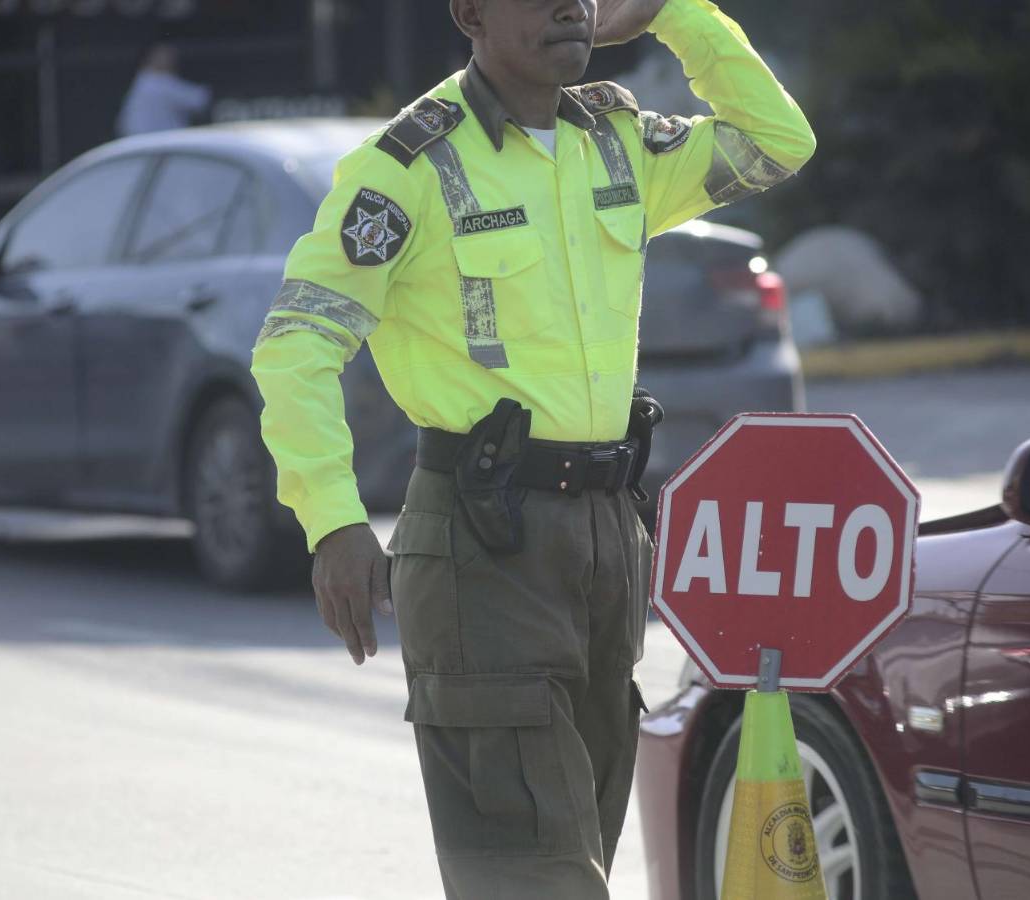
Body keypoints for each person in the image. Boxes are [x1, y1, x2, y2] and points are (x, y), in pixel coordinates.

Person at [249, 0, 814, 896]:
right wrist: (332, 520)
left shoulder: (615, 138)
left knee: (573, 851)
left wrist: (675, 16)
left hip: (605, 542)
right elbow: (296, 343)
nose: (572, 6)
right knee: (538, 879)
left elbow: (777, 141)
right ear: (469, 11)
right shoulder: (412, 163)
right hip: (483, 544)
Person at [115, 43, 211, 137]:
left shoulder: (142, 80)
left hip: (143, 141)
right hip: (155, 143)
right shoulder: (157, 81)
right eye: (166, 56)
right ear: (152, 58)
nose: (171, 60)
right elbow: (199, 100)